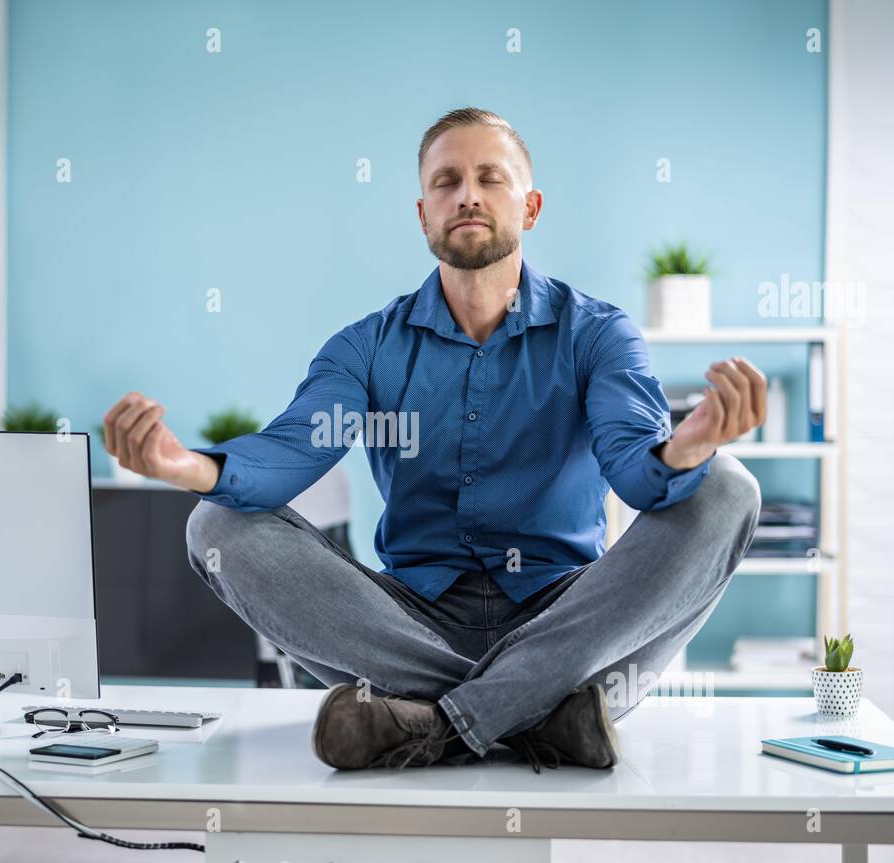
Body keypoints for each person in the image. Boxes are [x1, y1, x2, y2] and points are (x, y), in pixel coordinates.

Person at [103, 107, 764, 773]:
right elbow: (289, 454)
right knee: (216, 526)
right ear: (424, 215)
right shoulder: (366, 346)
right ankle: (537, 712)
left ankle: (437, 723)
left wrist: (687, 448)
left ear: (530, 207)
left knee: (728, 489)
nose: (468, 194)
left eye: (489, 178)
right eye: (446, 181)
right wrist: (182, 464)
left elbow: (637, 471)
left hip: (566, 621)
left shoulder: (596, 334)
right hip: (407, 624)